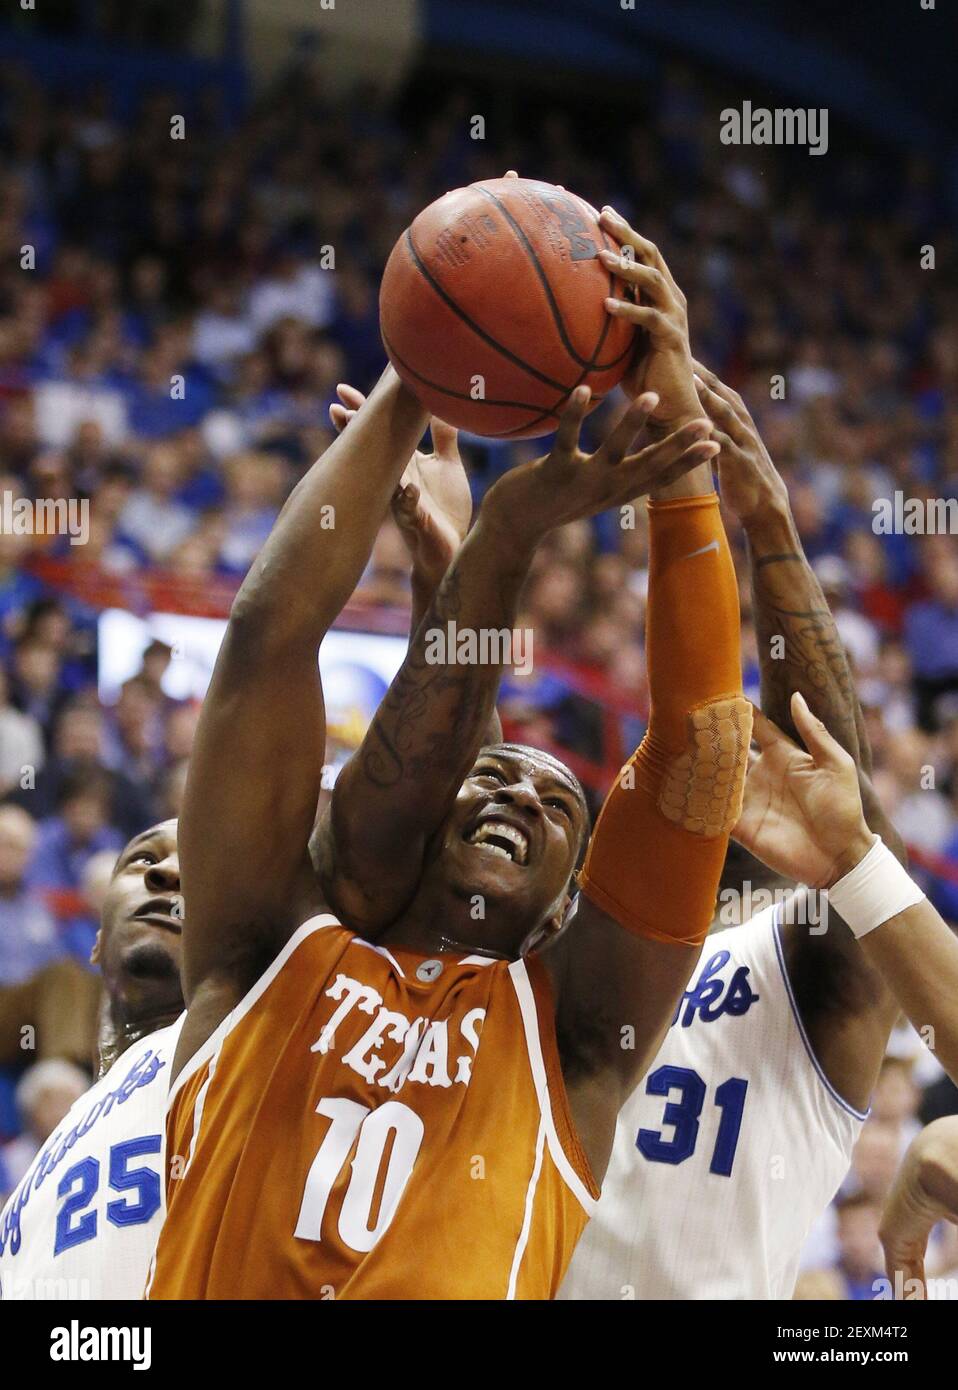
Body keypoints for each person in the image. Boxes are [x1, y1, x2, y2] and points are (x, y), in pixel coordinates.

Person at [148, 219, 751, 1299]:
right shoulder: (260, 948)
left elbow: (701, 742)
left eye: (558, 799)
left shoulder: (573, 1042)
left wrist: (677, 424)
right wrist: (417, 372)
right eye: (494, 773)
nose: (519, 783)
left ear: (569, 905)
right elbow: (265, 642)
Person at [560, 359, 904, 1300]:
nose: (745, 759)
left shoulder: (803, 963)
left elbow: (840, 790)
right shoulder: (579, 945)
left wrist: (769, 526)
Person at [0, 819, 183, 1300]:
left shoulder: (243, 1049)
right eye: (144, 858)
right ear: (97, 939)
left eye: (201, 864)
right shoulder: (47, 1152)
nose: (168, 872)